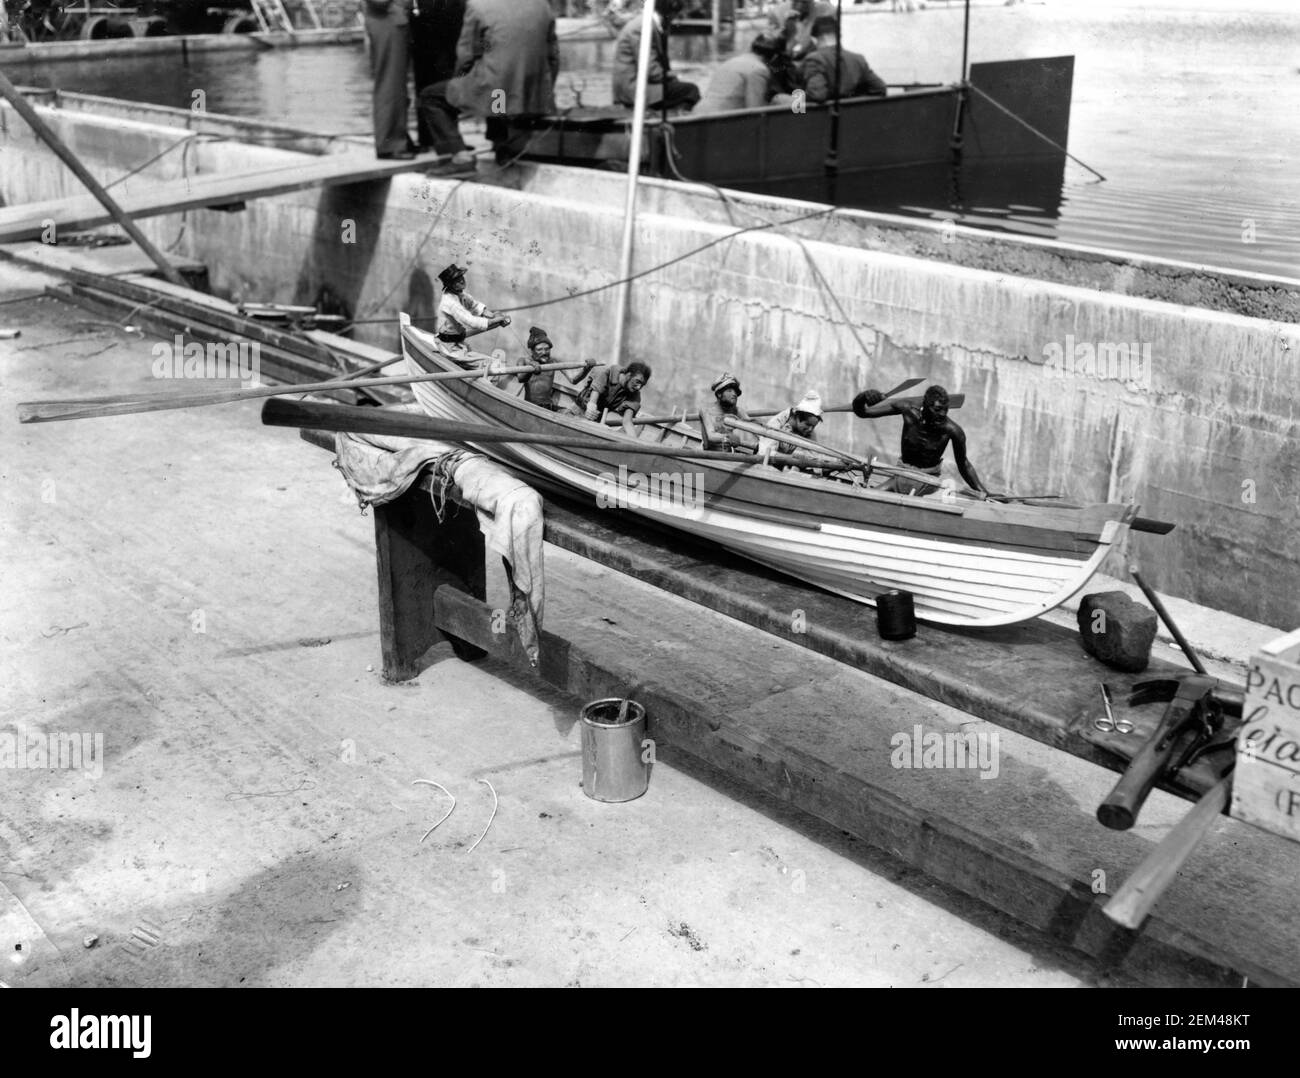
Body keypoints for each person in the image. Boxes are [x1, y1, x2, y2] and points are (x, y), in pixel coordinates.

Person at [421, 0, 560, 167]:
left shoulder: (478, 5)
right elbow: (554, 57)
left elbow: (466, 56)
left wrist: (460, 81)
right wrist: (545, 90)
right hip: (530, 91)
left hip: (498, 90)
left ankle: (459, 156)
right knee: (498, 89)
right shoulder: (542, 5)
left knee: (431, 97)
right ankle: (502, 147)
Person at [852, 384, 987, 497]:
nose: (943, 414)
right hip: (901, 473)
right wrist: (863, 397)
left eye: (946, 410)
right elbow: (863, 412)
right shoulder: (907, 410)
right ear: (926, 406)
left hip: (928, 481)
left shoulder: (952, 430)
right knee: (868, 496)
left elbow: (964, 464)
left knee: (908, 500)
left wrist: (983, 492)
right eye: (938, 409)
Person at [612, 0, 701, 113]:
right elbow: (651, 71)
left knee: (680, 88)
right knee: (691, 90)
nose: (675, 20)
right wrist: (677, 75)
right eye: (675, 15)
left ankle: (673, 118)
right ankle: (680, 123)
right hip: (632, 90)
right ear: (669, 12)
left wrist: (674, 79)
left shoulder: (651, 24)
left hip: (637, 85)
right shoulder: (643, 27)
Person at [363, 0, 417, 159]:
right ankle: (389, 143)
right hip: (387, 21)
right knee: (390, 82)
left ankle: (397, 136)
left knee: (397, 84)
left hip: (395, 20)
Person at [411, 0, 467, 154]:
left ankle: (450, 136)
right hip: (428, 21)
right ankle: (429, 138)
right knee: (426, 78)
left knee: (448, 77)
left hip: (450, 18)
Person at [799, 15, 887, 104]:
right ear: (839, 36)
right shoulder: (858, 59)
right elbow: (880, 88)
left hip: (826, 116)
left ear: (814, 39)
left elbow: (817, 94)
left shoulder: (813, 59)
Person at [434, 263, 511, 361]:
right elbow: (471, 321)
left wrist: (492, 315)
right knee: (489, 363)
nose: (462, 280)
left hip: (458, 341)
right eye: (457, 280)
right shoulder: (450, 302)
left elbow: (475, 305)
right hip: (448, 346)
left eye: (461, 277)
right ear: (451, 285)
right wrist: (495, 321)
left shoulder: (459, 294)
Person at [510, 326, 598, 410]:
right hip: (530, 406)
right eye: (539, 350)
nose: (544, 352)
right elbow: (521, 378)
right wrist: (532, 368)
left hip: (549, 407)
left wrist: (586, 368)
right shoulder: (523, 361)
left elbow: (573, 380)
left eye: (547, 349)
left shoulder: (554, 361)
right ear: (532, 351)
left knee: (570, 413)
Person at [696, 31, 785, 114]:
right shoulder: (759, 70)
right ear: (775, 57)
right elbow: (755, 110)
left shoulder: (731, 61)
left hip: (699, 113)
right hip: (720, 121)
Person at [581, 361, 652, 437]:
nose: (638, 387)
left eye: (642, 385)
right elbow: (592, 404)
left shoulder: (635, 394)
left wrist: (636, 443)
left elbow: (627, 422)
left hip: (597, 422)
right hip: (578, 412)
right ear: (628, 375)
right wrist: (591, 409)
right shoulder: (606, 373)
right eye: (637, 381)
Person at [757, 390, 826, 466]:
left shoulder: (808, 430)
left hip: (780, 467)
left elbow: (814, 456)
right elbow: (764, 453)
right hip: (762, 465)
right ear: (797, 417)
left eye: (813, 426)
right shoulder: (776, 424)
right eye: (807, 425)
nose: (810, 429)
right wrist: (792, 458)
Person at [699, 372, 758, 452]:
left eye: (735, 392)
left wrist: (763, 440)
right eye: (729, 391)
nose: (734, 394)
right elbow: (711, 436)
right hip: (708, 454)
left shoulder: (738, 411)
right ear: (719, 394)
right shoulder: (706, 410)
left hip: (728, 454)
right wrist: (728, 437)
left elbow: (754, 427)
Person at [767, 0, 835, 63]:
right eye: (797, 1)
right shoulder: (777, 12)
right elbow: (771, 42)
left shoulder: (823, 10)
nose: (800, 5)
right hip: (786, 64)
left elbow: (829, 42)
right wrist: (785, 31)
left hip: (814, 60)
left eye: (804, 2)